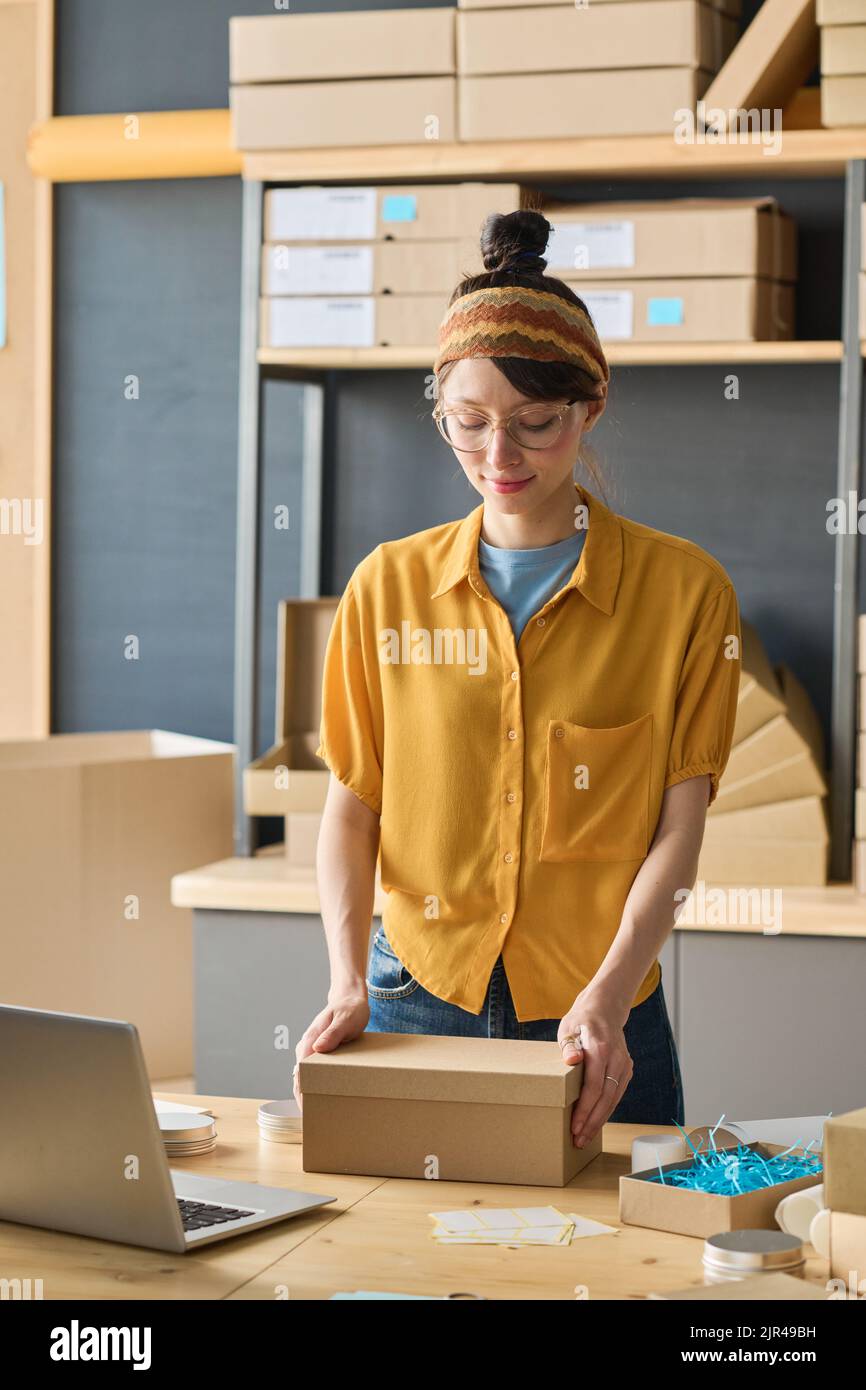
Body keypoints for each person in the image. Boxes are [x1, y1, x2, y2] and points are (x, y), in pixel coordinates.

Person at [293, 208, 741, 1148]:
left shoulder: (684, 595)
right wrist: (343, 980)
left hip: (602, 1010)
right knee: (410, 1264)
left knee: (621, 1269)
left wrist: (611, 994)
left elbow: (679, 829)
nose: (500, 459)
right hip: (410, 996)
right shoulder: (387, 587)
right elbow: (352, 806)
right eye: (469, 425)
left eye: (535, 425)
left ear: (590, 408)